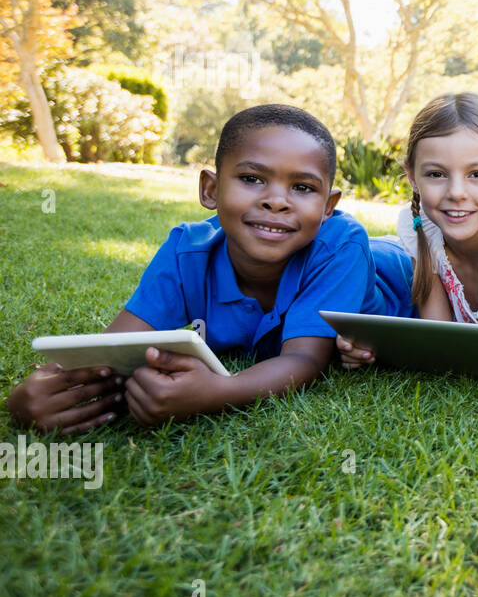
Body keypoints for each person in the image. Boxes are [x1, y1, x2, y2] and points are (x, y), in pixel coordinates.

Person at [6, 104, 412, 432]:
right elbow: (110, 349)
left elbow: (305, 360)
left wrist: (220, 391)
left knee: (407, 256)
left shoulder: (340, 245)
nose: (276, 201)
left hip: (394, 269)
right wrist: (38, 390)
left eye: (302, 188)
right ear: (211, 190)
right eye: (252, 179)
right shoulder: (188, 250)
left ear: (328, 206)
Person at [336, 93, 478, 374]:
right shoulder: (421, 228)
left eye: (477, 174)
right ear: (413, 176)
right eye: (436, 174)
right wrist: (371, 348)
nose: (456, 193)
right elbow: (439, 338)